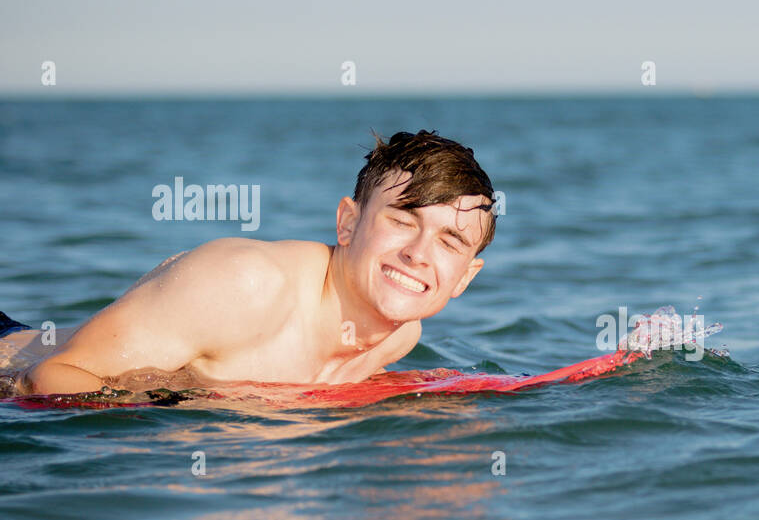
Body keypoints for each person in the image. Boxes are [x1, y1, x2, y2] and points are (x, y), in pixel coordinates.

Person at [2, 130, 496, 396]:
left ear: (465, 278)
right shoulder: (245, 285)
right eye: (402, 220)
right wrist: (163, 422)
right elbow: (49, 378)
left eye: (450, 242)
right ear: (348, 223)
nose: (418, 253)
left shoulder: (399, 335)